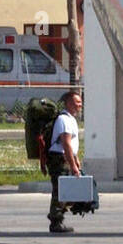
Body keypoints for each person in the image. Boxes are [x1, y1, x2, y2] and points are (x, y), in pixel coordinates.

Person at [47, 91, 82, 234]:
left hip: (64, 157)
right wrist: (73, 165)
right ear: (68, 103)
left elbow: (72, 145)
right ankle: (55, 222)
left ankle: (58, 219)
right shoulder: (64, 120)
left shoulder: (70, 119)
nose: (80, 105)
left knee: (65, 190)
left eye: (80, 102)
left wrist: (76, 159)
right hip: (59, 159)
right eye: (76, 102)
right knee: (60, 190)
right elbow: (66, 144)